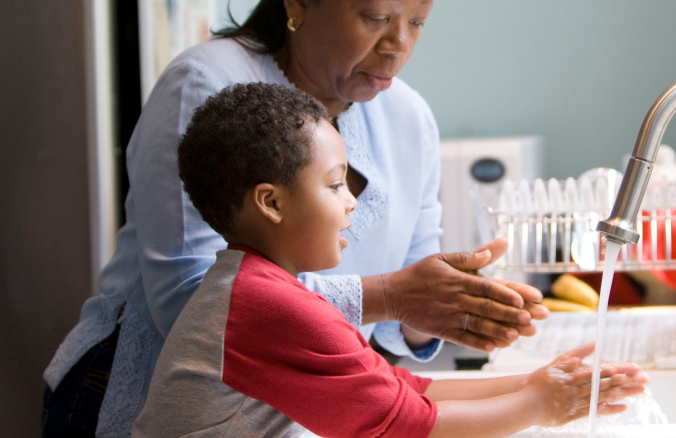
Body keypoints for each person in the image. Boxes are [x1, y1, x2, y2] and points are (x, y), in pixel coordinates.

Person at [43, 0, 548, 437]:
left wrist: (453, 307)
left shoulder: (410, 117)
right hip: (135, 398)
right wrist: (391, 295)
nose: (398, 45)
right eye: (377, 16)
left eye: (418, 22)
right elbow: (192, 303)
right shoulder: (208, 83)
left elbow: (404, 321)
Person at [133, 83, 647, 437]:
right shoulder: (262, 304)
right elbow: (404, 426)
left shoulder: (258, 288)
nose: (352, 200)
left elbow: (402, 388)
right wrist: (541, 406)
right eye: (335, 185)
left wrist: (530, 383)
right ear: (271, 202)